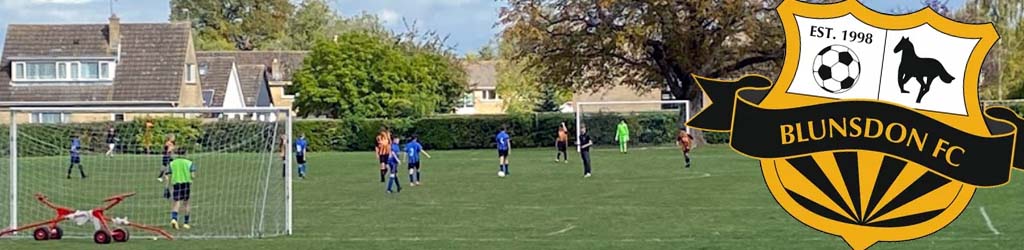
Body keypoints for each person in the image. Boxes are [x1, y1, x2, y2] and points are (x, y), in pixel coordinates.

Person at [165, 157, 196, 230]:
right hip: (186, 184)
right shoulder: (189, 163)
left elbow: (166, 175)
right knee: (186, 203)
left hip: (176, 184)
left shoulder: (172, 163)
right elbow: (193, 175)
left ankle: (174, 219)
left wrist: (166, 187)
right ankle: (186, 223)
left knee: (176, 202)